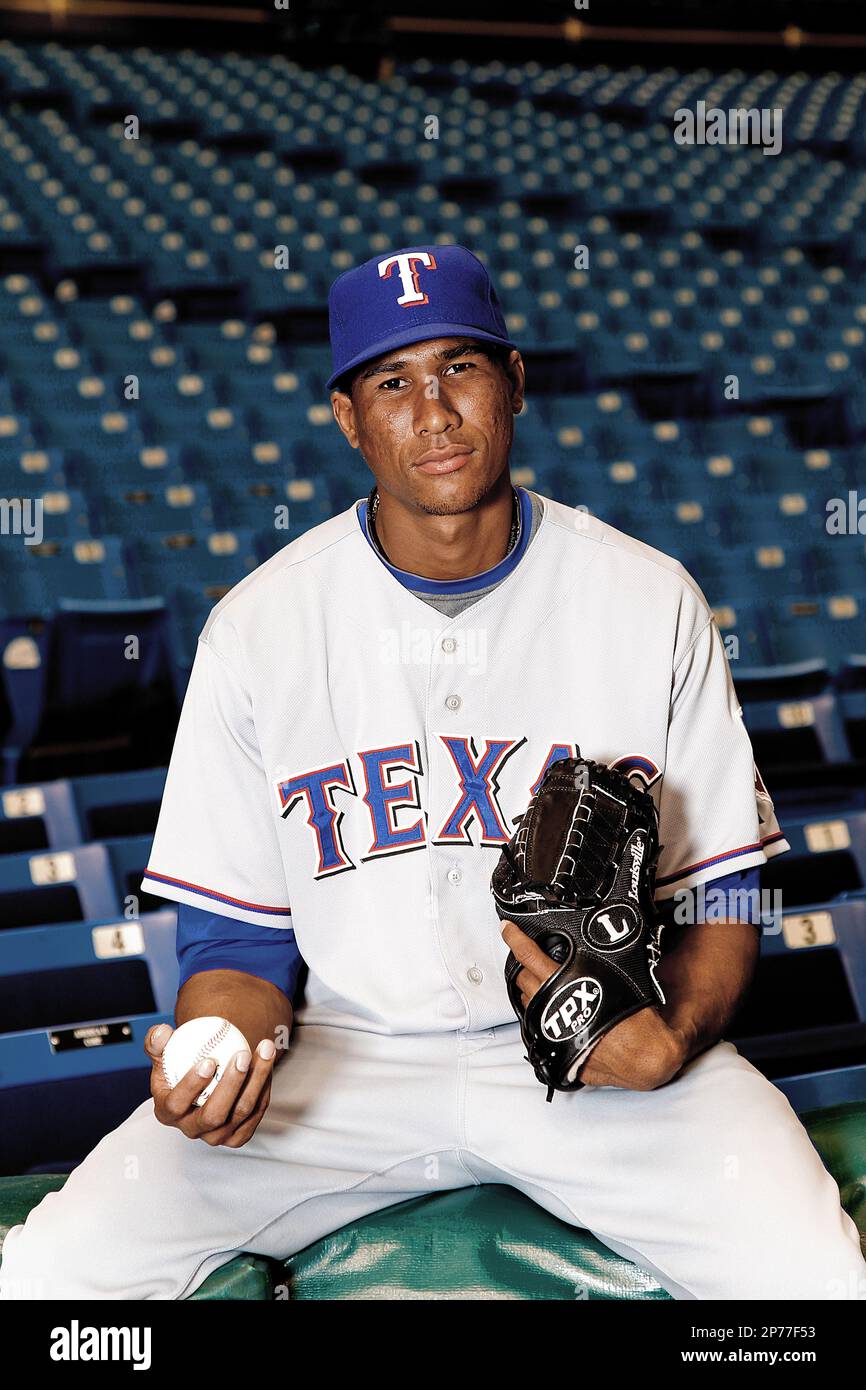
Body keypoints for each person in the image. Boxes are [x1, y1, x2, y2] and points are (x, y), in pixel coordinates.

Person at [2, 245, 863, 1301]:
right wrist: (228, 1041)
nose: (434, 409)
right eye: (392, 381)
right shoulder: (258, 627)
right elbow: (238, 941)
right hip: (339, 1063)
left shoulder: (648, 597)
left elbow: (722, 888)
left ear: (513, 382)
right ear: (349, 417)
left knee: (814, 1282)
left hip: (592, 1040)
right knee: (44, 1280)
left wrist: (667, 1037)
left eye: (459, 367)